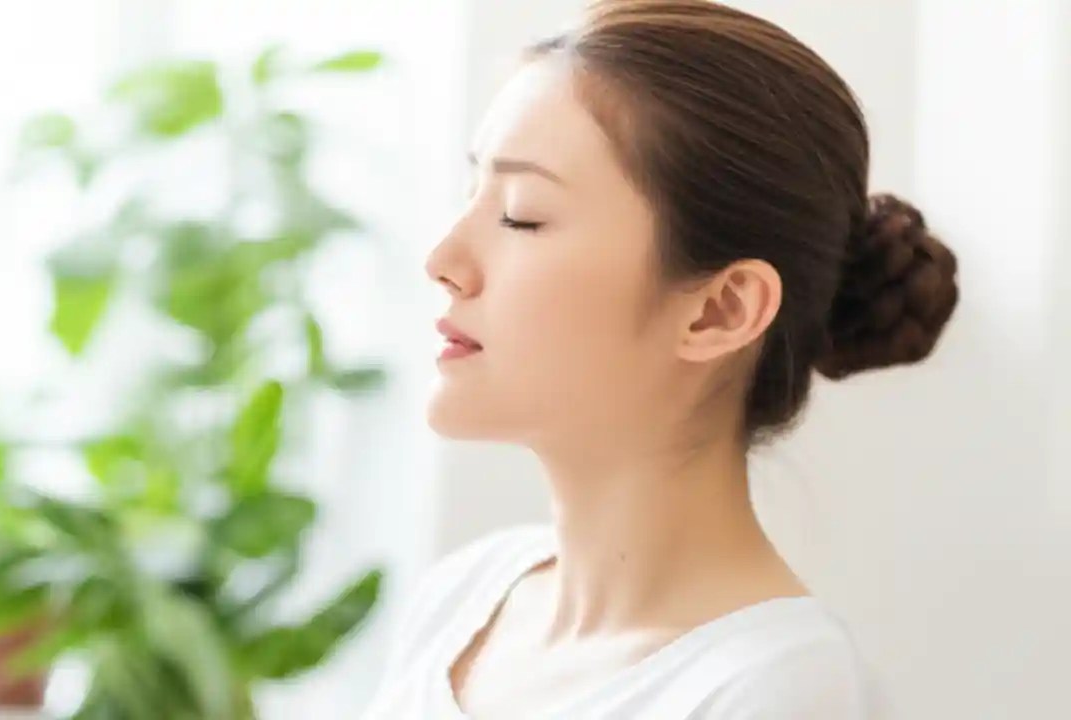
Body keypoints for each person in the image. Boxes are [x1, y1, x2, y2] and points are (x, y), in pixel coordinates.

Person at [361, 0, 959, 718]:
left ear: (720, 310)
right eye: (472, 192)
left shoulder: (778, 692)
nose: (443, 260)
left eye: (522, 213)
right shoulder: (463, 599)